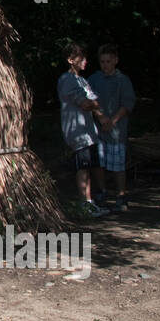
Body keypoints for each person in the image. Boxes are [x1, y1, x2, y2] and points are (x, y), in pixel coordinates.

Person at [57, 41, 109, 217]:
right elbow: (87, 103)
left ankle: (90, 201)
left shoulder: (82, 80)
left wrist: (96, 109)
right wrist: (94, 105)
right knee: (83, 167)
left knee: (91, 165)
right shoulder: (67, 80)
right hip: (77, 132)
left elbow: (94, 102)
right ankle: (84, 203)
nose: (85, 61)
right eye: (81, 58)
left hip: (89, 132)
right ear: (71, 60)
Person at [88, 44, 137, 212]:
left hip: (117, 129)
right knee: (98, 163)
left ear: (115, 60)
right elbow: (89, 100)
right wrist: (100, 117)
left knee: (118, 164)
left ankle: (121, 195)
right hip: (98, 128)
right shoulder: (94, 79)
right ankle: (102, 192)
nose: (105, 65)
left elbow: (127, 103)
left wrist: (113, 120)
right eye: (102, 61)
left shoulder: (122, 80)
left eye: (108, 61)